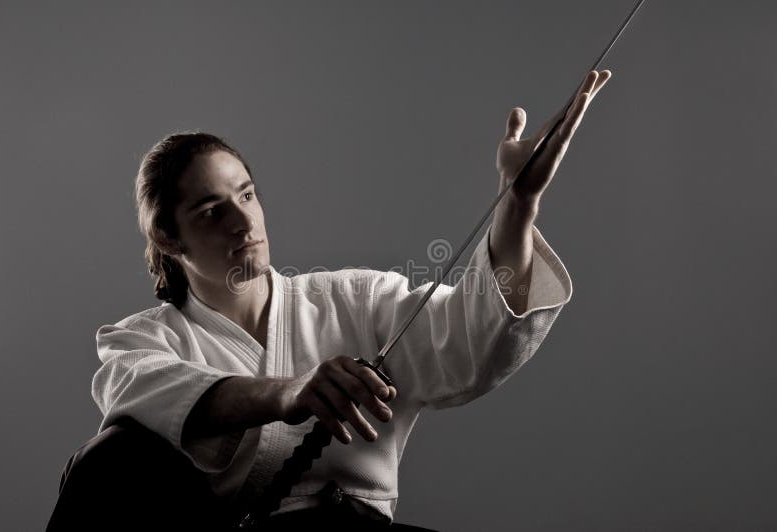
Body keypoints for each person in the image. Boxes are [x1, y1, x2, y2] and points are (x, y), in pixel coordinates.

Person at [47, 70, 611, 531]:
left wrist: (518, 206)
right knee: (107, 458)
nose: (245, 222)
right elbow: (137, 393)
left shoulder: (356, 301)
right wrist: (288, 393)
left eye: (247, 194)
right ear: (168, 239)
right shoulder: (141, 340)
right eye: (212, 211)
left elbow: (469, 342)